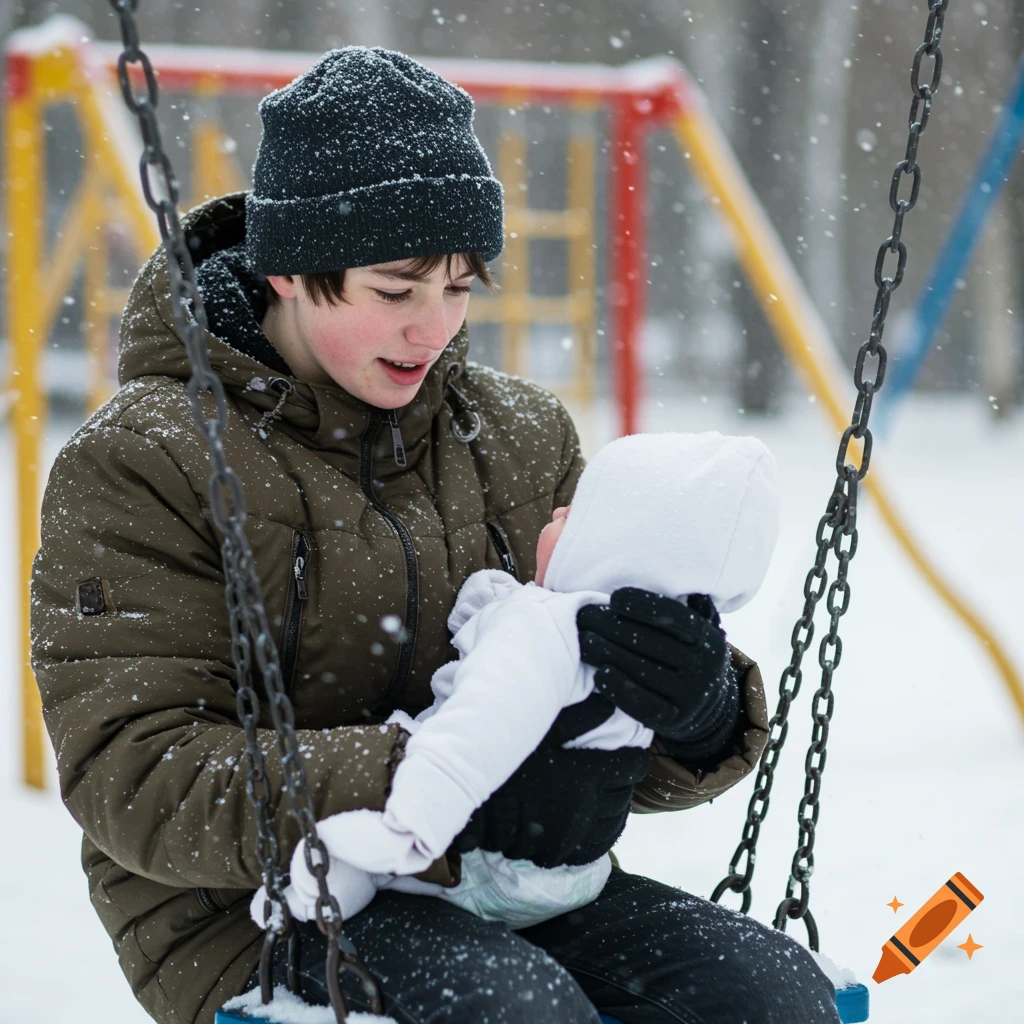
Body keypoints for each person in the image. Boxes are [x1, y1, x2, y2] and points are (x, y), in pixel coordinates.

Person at [30, 46, 840, 1024]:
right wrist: (426, 776)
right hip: (258, 902)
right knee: (518, 1014)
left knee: (771, 999)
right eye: (396, 286)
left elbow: (569, 704)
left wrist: (692, 708)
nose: (433, 326)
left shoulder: (519, 436)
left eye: (459, 286)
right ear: (290, 268)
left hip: (497, 877)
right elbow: (135, 772)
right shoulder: (147, 462)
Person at [270, 431, 780, 934]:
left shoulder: (546, 623)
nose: (556, 513)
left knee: (376, 849)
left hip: (477, 864)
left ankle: (345, 878)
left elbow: (475, 730)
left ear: (607, 549)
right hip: (576, 878)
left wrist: (408, 828)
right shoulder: (609, 631)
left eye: (575, 516)